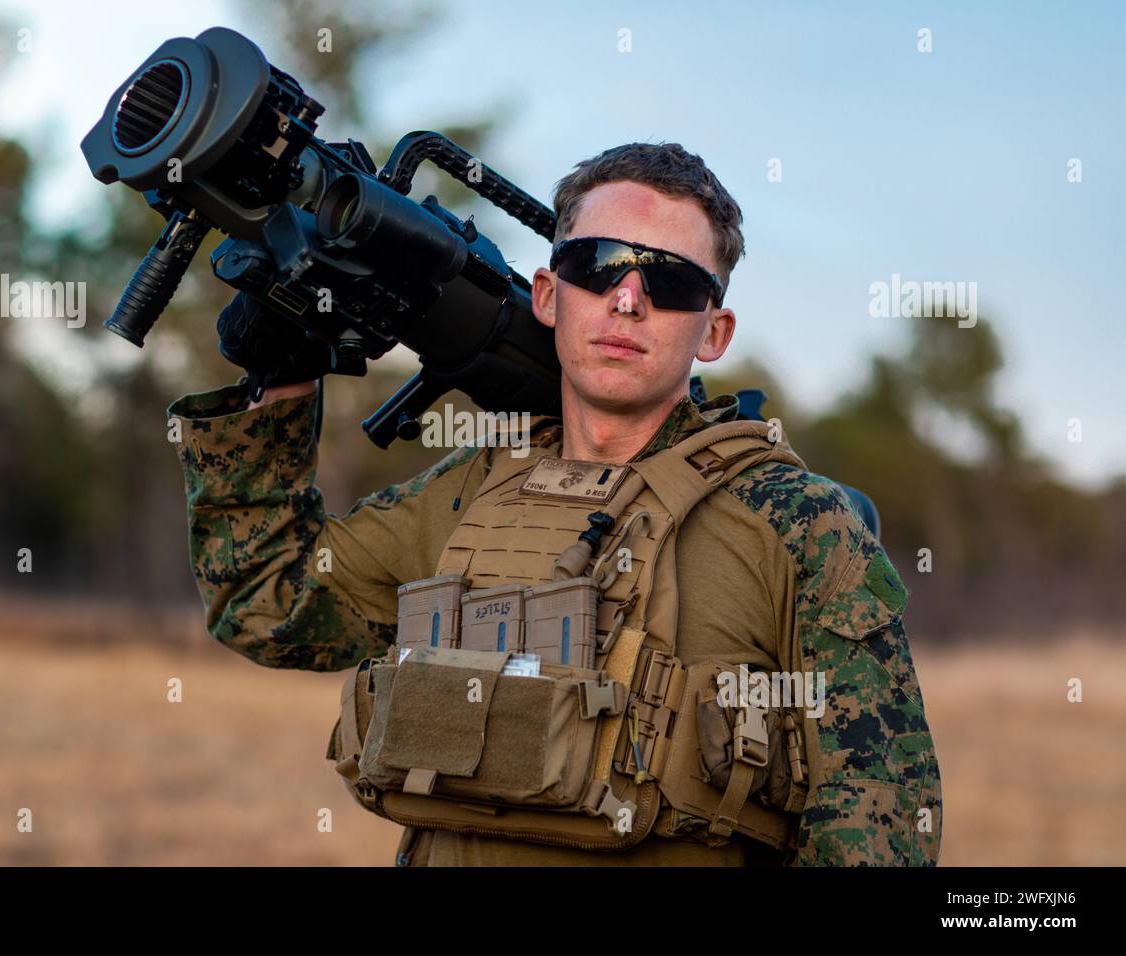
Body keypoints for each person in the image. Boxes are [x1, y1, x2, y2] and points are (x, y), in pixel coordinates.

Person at [167, 142, 942, 866]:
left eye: (669, 281)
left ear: (715, 331)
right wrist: (283, 377)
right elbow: (267, 603)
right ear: (548, 293)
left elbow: (881, 816)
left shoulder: (799, 522)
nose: (628, 299)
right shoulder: (470, 490)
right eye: (597, 266)